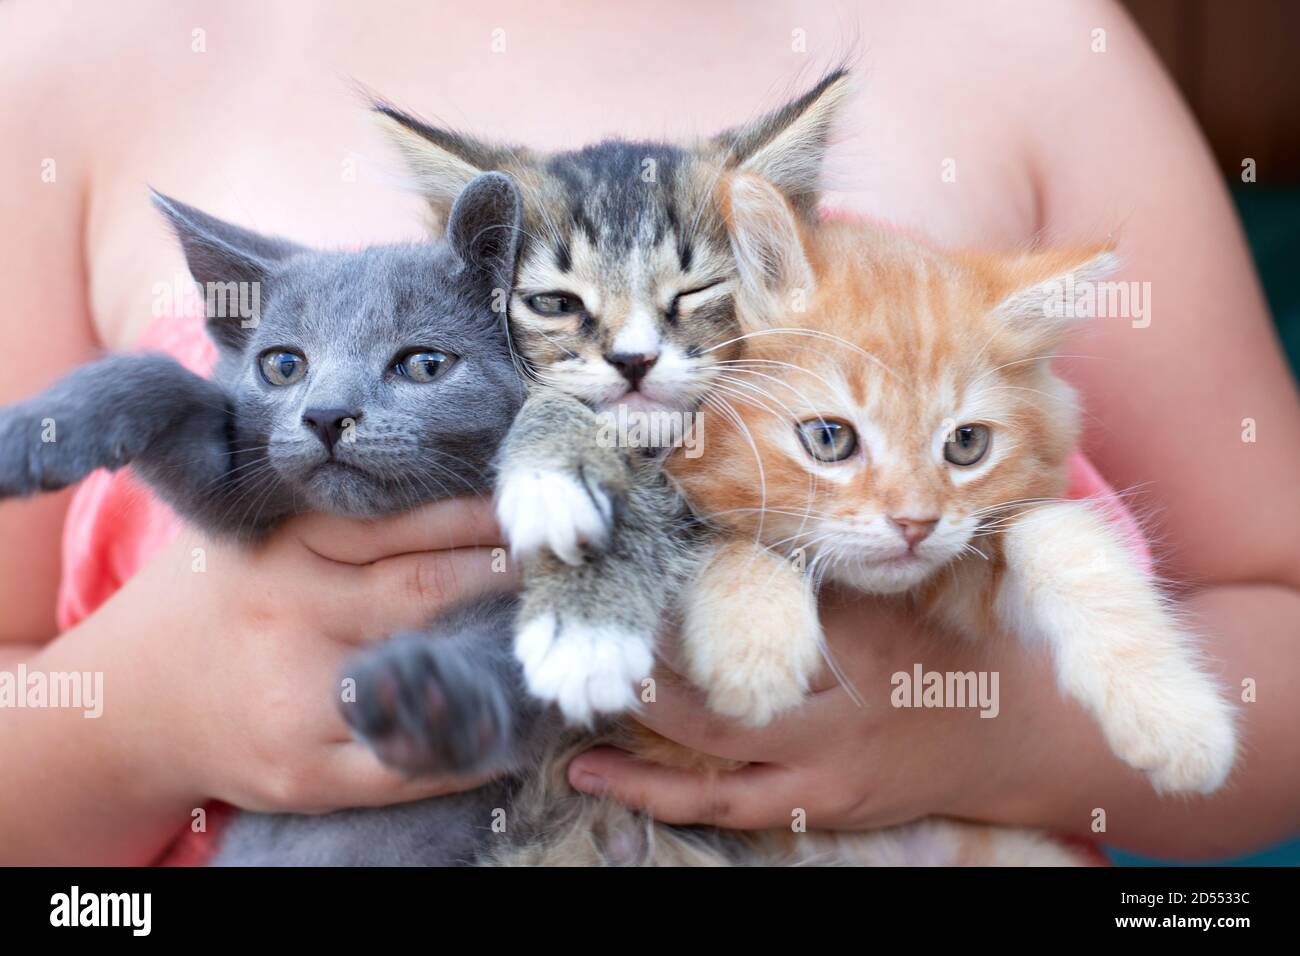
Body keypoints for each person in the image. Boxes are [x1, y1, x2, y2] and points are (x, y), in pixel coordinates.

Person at [1, 0, 1296, 864]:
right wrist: (142, 718)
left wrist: (982, 729)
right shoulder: (75, 48)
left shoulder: (1019, 37)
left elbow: (1272, 612)